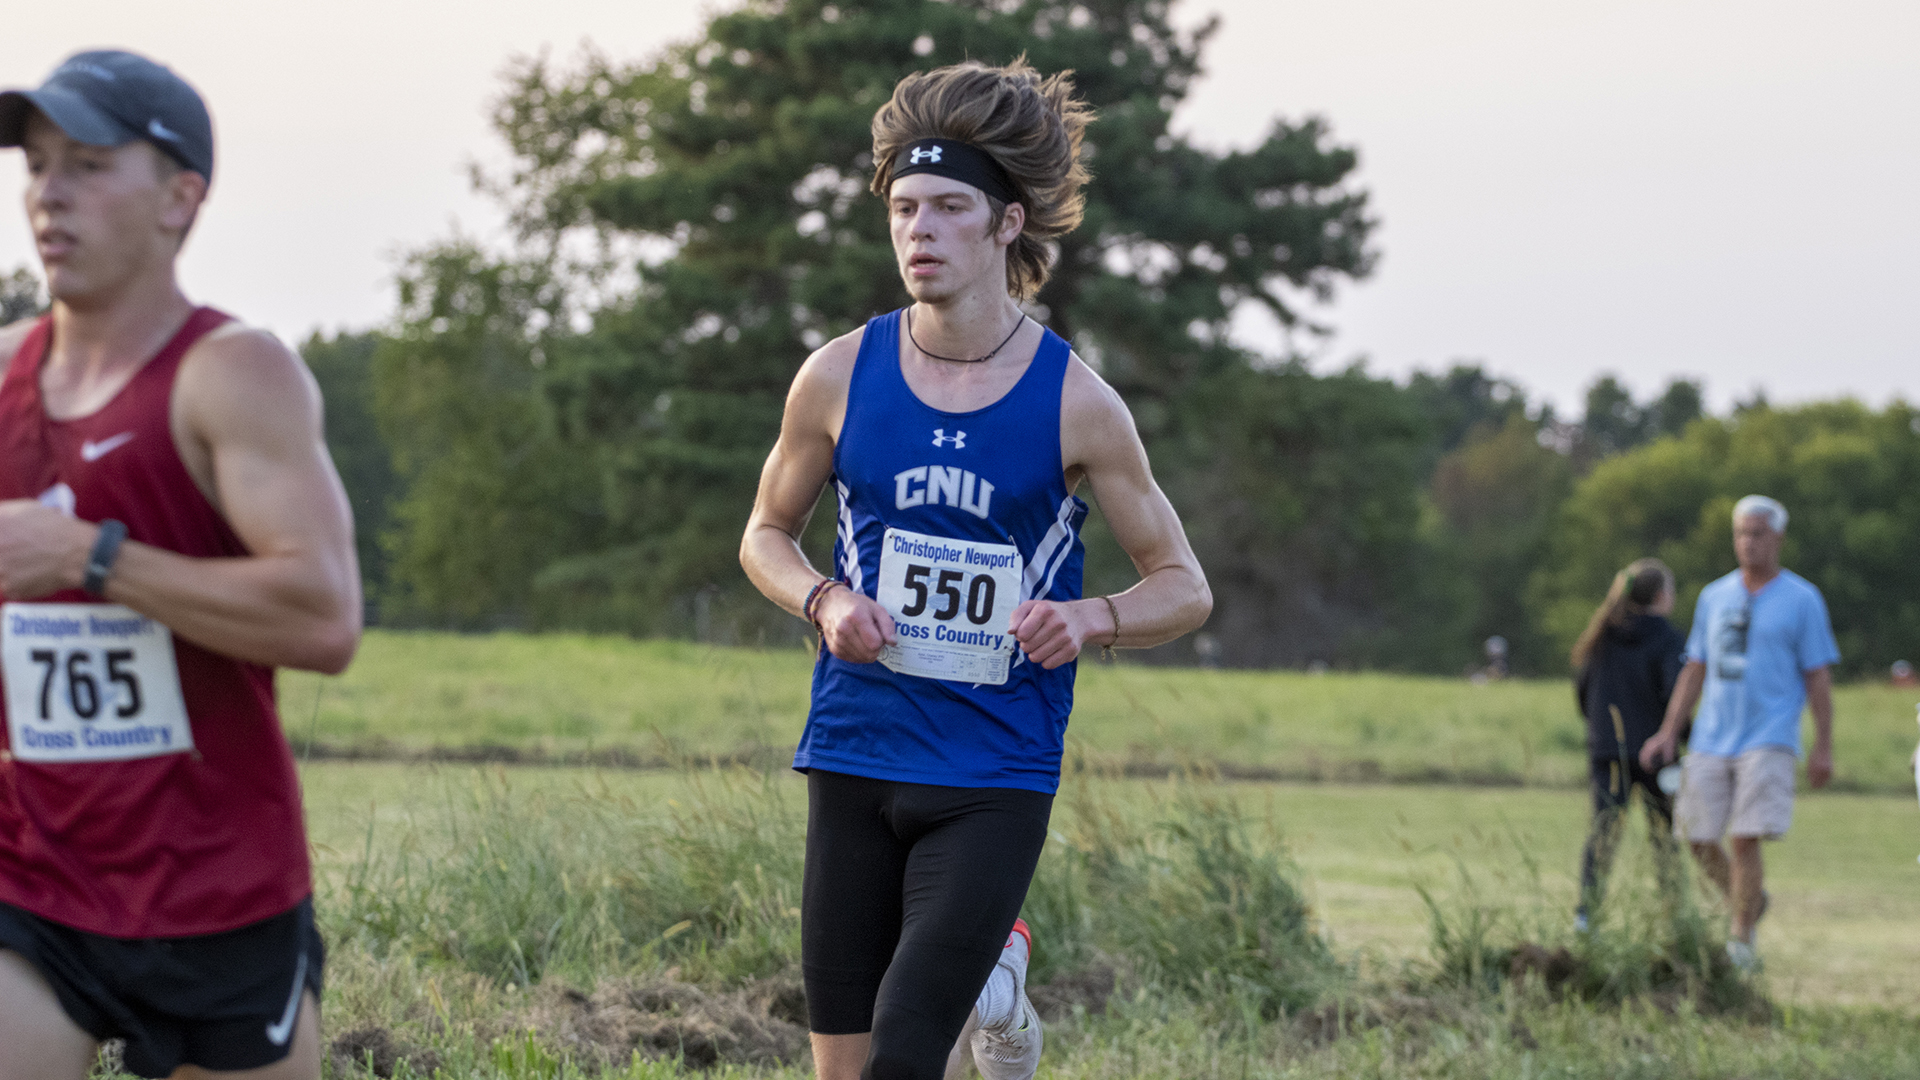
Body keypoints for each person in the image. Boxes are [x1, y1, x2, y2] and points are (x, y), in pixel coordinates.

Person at [740, 59, 1212, 1080]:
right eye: (905, 208)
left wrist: (1093, 619)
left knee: (901, 1065)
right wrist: (821, 599)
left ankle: (989, 969)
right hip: (854, 752)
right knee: (841, 1070)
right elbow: (764, 535)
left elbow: (1183, 584)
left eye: (950, 208)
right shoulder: (835, 376)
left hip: (992, 772)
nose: (920, 230)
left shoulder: (1077, 404)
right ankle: (996, 984)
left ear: (1009, 224)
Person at [0, 51, 360, 1079]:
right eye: (35, 165)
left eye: (87, 164)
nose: (48, 194)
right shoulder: (1, 374)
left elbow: (323, 616)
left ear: (180, 196)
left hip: (221, 886)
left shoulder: (233, 374)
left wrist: (89, 556)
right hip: (32, 876)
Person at [1641, 495, 1839, 972]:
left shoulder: (1802, 599)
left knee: (1746, 836)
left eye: (1757, 534)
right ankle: (1749, 902)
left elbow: (1817, 676)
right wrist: (1669, 731)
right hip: (1712, 735)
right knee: (1695, 834)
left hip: (1769, 735)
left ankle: (1740, 941)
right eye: (1741, 534)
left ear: (1778, 538)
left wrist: (1824, 745)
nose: (1748, 543)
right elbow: (1695, 669)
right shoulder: (1714, 596)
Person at [1568, 558, 1686, 933]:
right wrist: (1684, 736)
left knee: (1604, 832)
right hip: (1657, 753)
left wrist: (1602, 731)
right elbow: (1676, 693)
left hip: (1607, 752)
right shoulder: (1667, 638)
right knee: (1665, 835)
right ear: (1662, 596)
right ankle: (1674, 915)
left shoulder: (1602, 634)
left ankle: (1586, 915)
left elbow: (1583, 692)